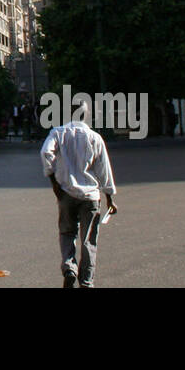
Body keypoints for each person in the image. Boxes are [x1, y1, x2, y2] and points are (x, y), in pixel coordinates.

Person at [41, 103, 117, 288]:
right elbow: (104, 170)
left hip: (66, 192)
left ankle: (69, 267)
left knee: (67, 232)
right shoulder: (94, 137)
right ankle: (86, 281)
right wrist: (110, 198)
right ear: (86, 115)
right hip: (90, 196)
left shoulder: (58, 133)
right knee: (89, 239)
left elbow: (45, 152)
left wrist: (53, 182)